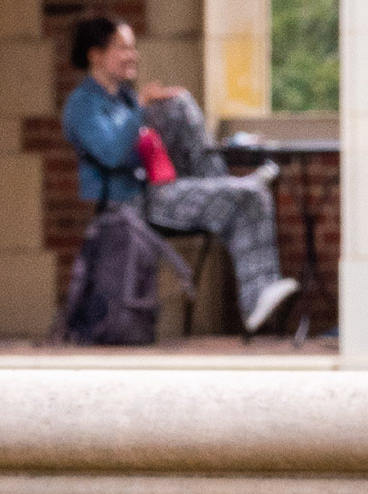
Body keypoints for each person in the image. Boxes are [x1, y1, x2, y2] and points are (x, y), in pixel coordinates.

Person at [61, 15, 300, 334]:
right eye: (123, 48)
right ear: (96, 55)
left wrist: (163, 108)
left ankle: (258, 296)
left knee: (179, 104)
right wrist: (141, 110)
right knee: (249, 195)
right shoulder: (82, 105)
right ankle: (256, 292)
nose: (134, 55)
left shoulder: (126, 97)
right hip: (128, 206)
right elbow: (112, 153)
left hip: (156, 190)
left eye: (134, 47)